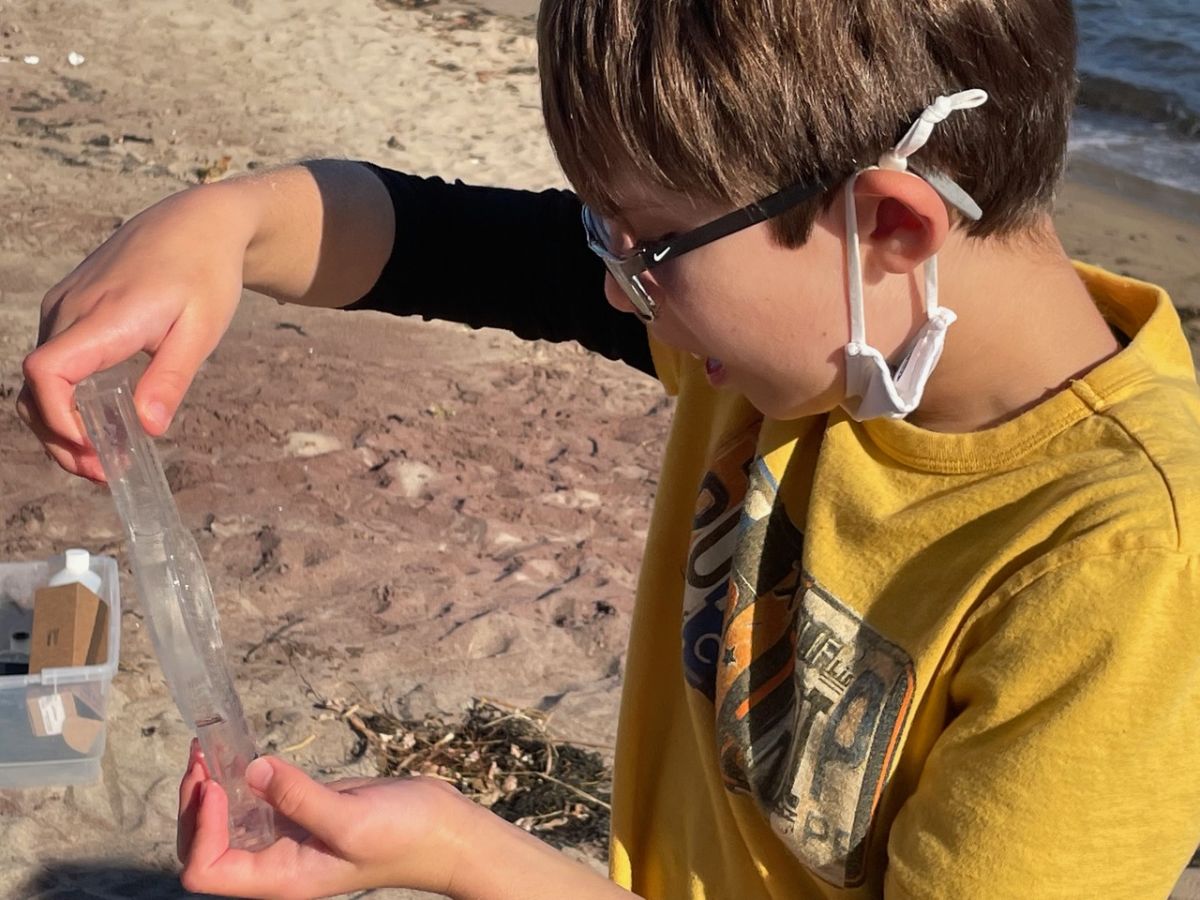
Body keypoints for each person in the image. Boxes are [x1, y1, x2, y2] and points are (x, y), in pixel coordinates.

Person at [17, 0, 1200, 897]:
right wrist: (223, 226)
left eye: (646, 245)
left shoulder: (1123, 573)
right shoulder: (833, 329)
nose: (614, 289)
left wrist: (464, 854)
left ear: (890, 225)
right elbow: (443, 243)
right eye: (603, 230)